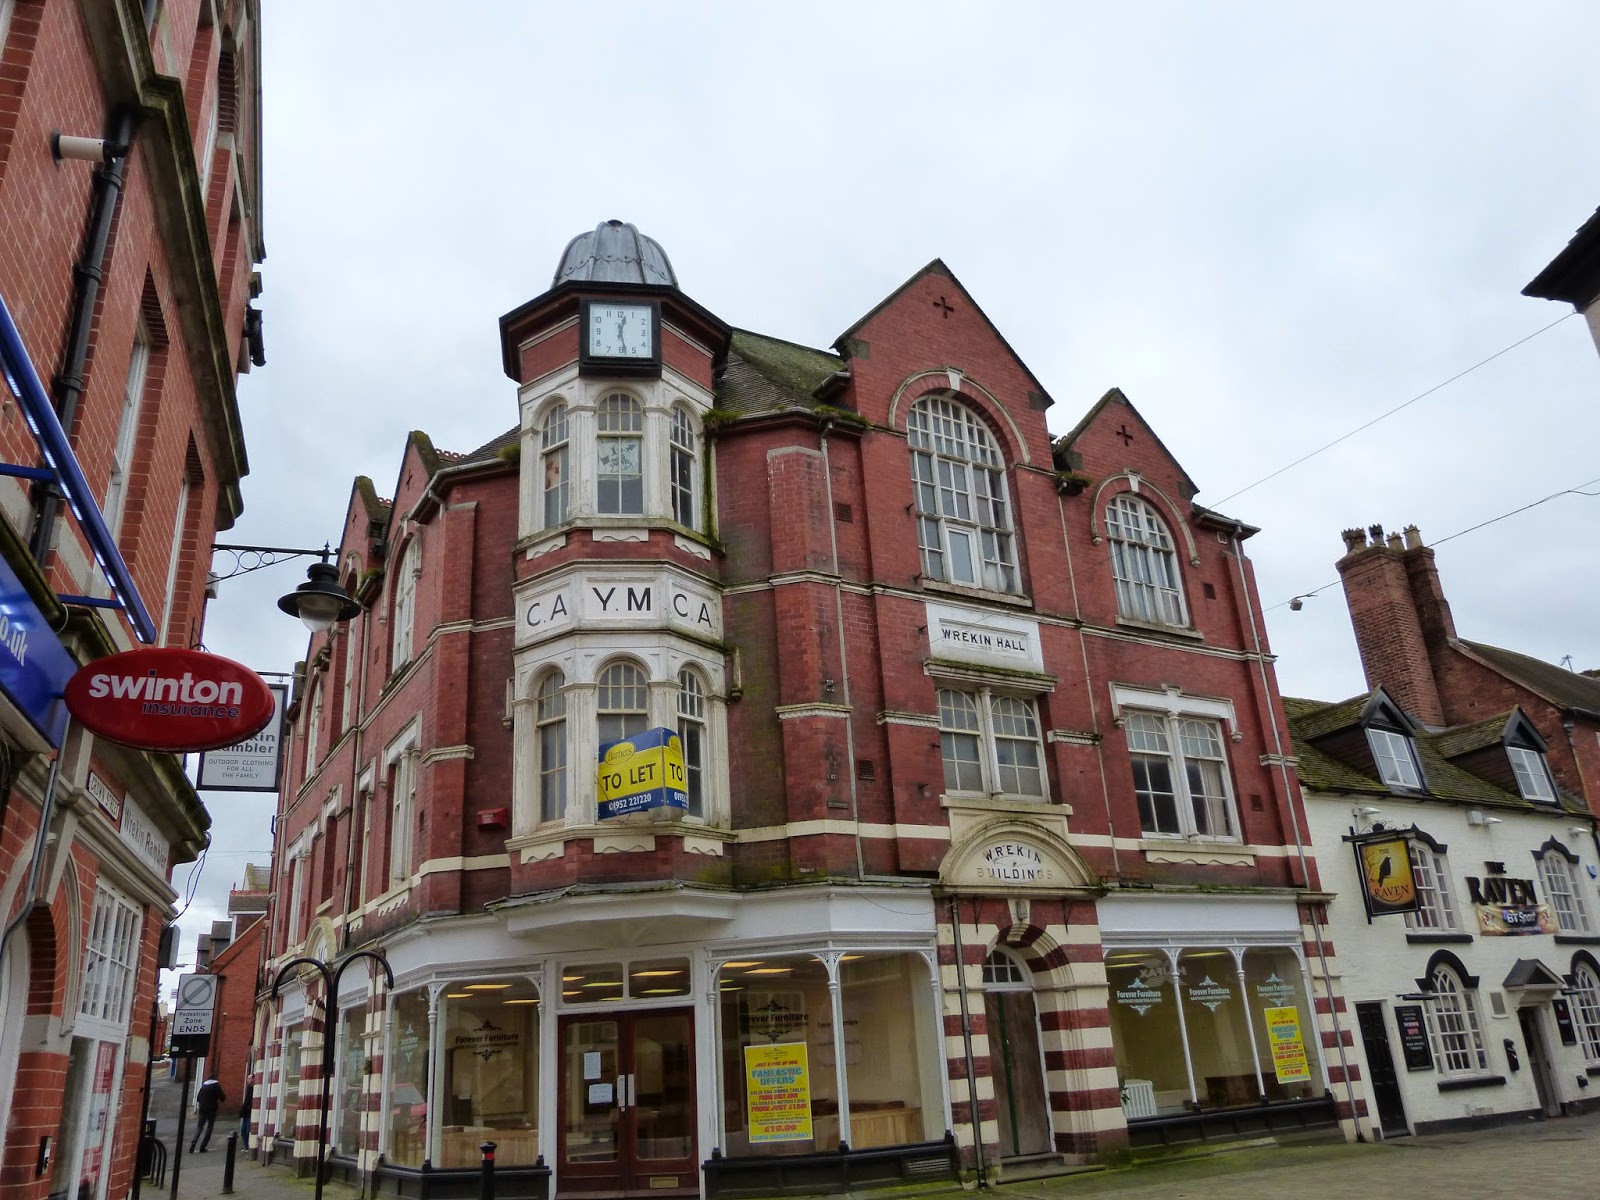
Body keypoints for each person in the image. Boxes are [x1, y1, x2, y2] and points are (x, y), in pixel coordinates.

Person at [191, 1076, 226, 1152]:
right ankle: (203, 1146)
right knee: (209, 1126)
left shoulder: (204, 1085)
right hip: (212, 1109)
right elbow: (222, 1097)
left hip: (202, 1108)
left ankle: (194, 1140)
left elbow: (198, 1098)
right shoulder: (216, 1085)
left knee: (200, 1126)